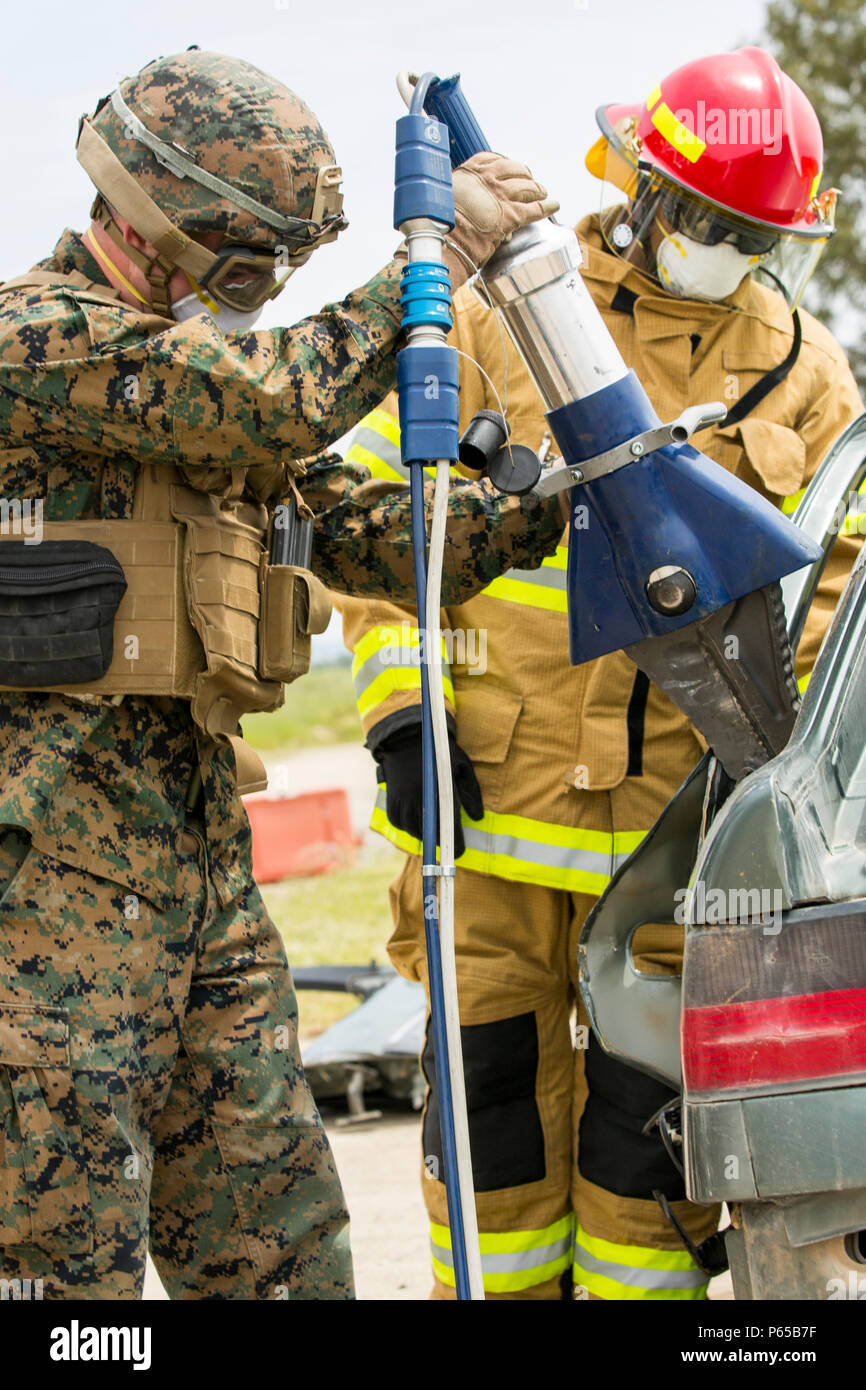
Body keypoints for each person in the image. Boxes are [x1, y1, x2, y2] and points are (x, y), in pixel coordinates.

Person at [0, 47, 561, 1300]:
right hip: (42, 907)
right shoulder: (38, 342)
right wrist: (436, 260)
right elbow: (274, 404)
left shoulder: (201, 378)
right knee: (63, 1281)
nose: (261, 295)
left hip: (200, 884)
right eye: (257, 267)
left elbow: (371, 532)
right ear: (170, 230)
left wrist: (564, 497)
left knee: (284, 1252)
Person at [337, 46, 865, 1299]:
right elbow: (371, 528)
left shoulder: (807, 370)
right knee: (494, 1145)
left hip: (683, 853)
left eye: (744, 232)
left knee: (653, 1164)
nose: (713, 246)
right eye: (696, 216)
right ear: (633, 179)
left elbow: (836, 598)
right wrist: (402, 721)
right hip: (487, 825)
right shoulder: (493, 317)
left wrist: (794, 800)